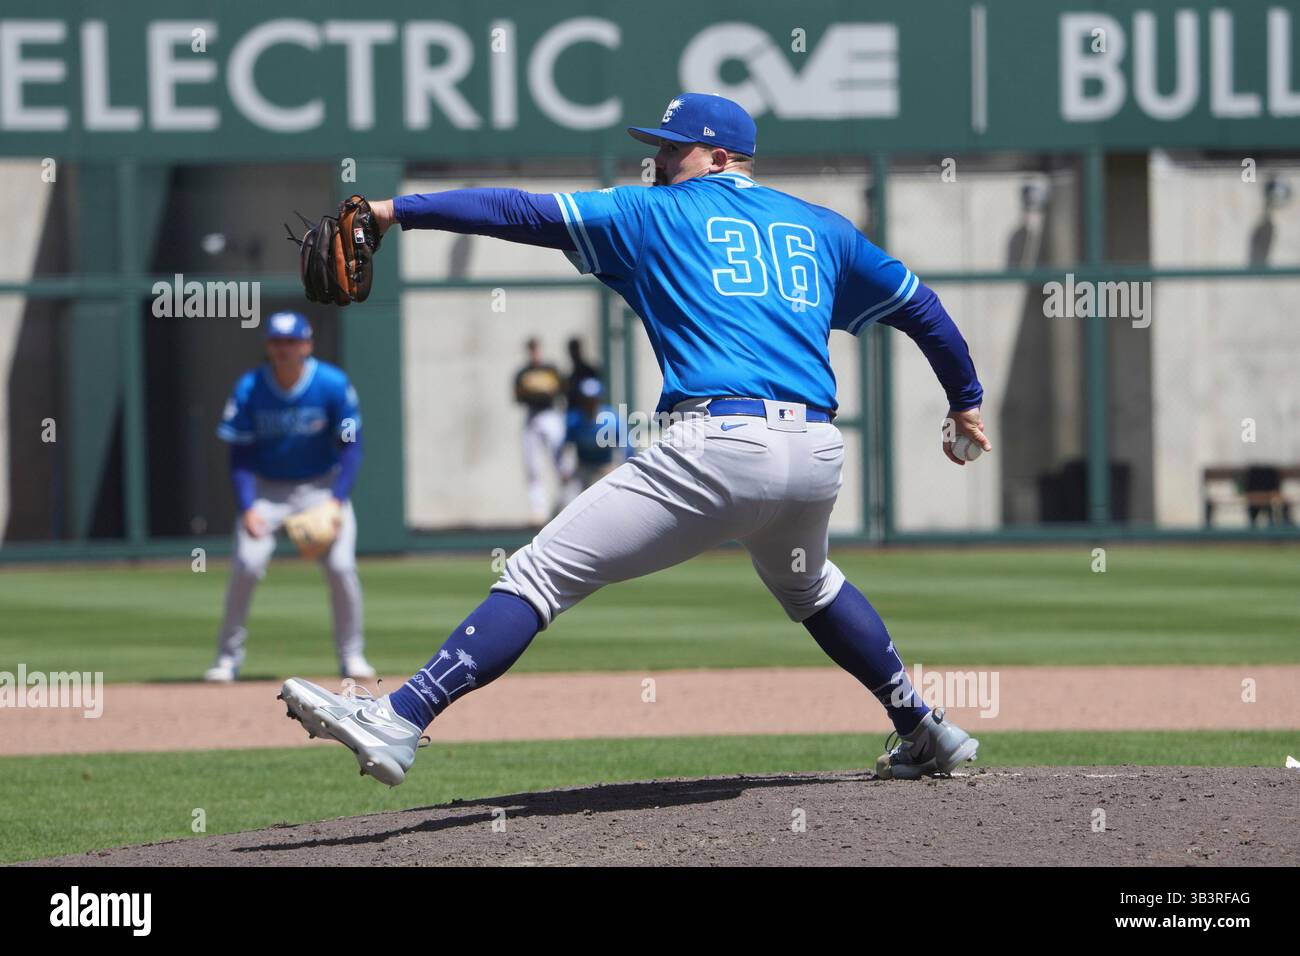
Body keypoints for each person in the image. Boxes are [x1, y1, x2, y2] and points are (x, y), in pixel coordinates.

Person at [279, 92, 992, 786]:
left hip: (722, 444)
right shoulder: (824, 229)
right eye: (654, 147)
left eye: (672, 148)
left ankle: (400, 718)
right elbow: (920, 306)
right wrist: (965, 402)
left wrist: (395, 211)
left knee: (538, 575)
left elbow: (516, 209)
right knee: (811, 586)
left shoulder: (651, 212)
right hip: (813, 454)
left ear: (719, 156)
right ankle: (923, 727)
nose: (656, 160)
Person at [207, 311, 375, 682]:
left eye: (291, 342)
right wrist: (248, 506)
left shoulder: (331, 384)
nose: (284, 350)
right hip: (267, 491)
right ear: (268, 347)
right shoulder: (250, 388)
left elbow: (351, 448)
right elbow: (240, 455)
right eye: (277, 343)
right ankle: (227, 658)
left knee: (341, 567)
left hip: (321, 488)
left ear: (306, 345)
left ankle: (352, 656)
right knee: (247, 565)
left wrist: (336, 500)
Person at [513, 338, 567, 525]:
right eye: (531, 350)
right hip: (532, 415)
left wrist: (542, 390)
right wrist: (533, 391)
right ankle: (539, 511)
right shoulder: (523, 373)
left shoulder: (550, 369)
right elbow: (517, 397)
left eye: (536, 350)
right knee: (532, 466)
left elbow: (560, 391)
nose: (534, 353)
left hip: (550, 415)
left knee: (560, 463)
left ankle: (564, 504)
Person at [561, 376, 624, 505]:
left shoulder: (611, 419)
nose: (590, 404)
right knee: (568, 498)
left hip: (605, 466)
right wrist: (565, 469)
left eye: (594, 399)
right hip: (583, 466)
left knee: (615, 499)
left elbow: (625, 446)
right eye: (587, 400)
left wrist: (620, 469)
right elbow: (566, 446)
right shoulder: (574, 420)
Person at [564, 337, 601, 407]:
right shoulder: (570, 374)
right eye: (572, 350)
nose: (574, 353)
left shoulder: (589, 372)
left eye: (575, 350)